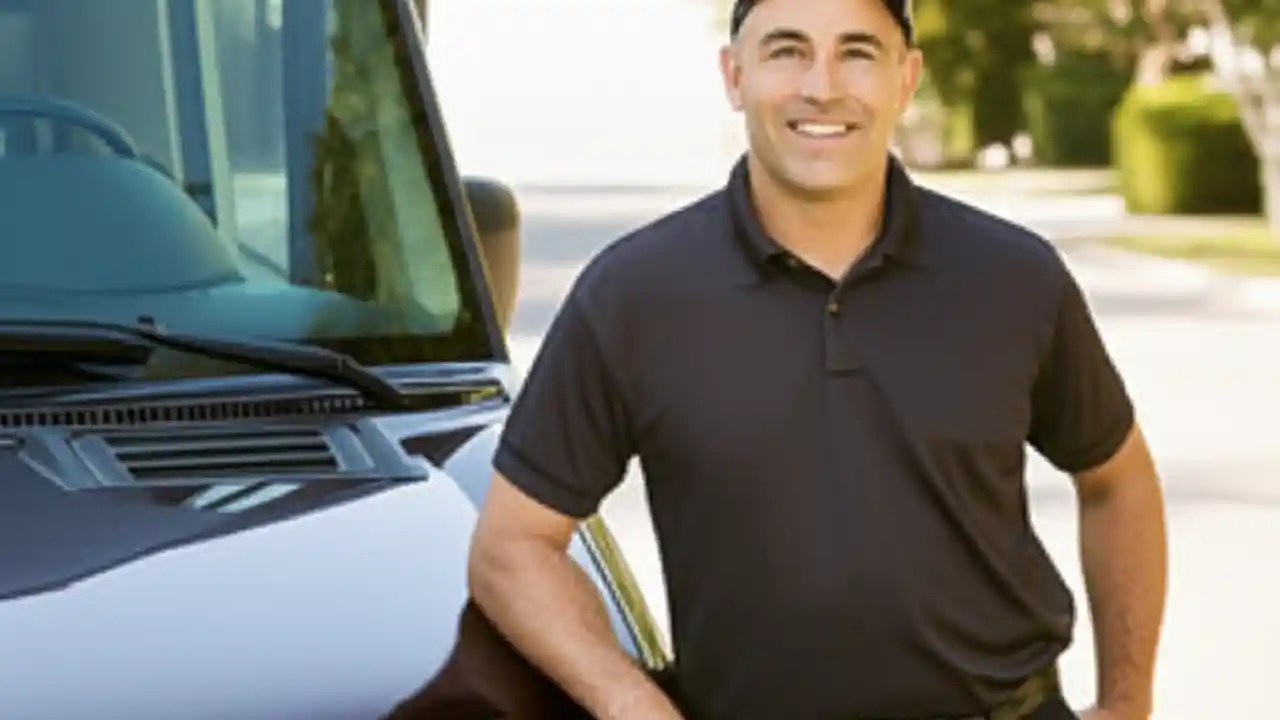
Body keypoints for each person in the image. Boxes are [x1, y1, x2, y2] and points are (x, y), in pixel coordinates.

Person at [466, 0, 1169, 718]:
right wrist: (628, 702)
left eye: (858, 52)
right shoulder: (633, 295)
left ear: (906, 78)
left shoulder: (1015, 278)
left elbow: (1118, 482)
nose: (822, 85)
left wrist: (1127, 702)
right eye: (787, 50)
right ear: (734, 75)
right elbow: (513, 546)